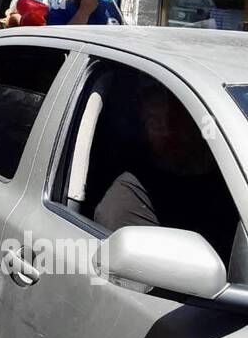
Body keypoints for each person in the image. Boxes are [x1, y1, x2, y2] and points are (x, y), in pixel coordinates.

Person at [95, 80, 239, 269]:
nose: (167, 126)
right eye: (155, 118)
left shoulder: (233, 174)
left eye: (180, 113)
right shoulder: (128, 200)